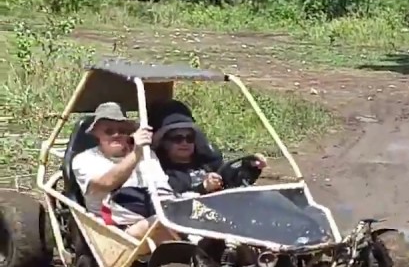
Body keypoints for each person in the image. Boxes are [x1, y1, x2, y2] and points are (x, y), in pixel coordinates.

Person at [70, 102, 178, 242]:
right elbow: (105, 183)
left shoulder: (147, 154)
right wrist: (136, 154)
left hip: (155, 218)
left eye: (122, 131)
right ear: (97, 134)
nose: (116, 135)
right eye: (109, 131)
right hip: (116, 231)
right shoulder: (84, 159)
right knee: (162, 224)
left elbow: (163, 188)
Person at [152, 108, 265, 196]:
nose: (184, 143)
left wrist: (250, 166)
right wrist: (202, 188)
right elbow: (173, 198)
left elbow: (229, 176)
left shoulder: (207, 162)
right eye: (177, 139)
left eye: (190, 138)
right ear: (164, 143)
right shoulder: (162, 172)